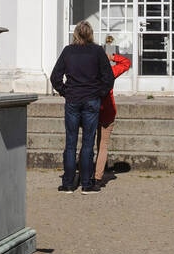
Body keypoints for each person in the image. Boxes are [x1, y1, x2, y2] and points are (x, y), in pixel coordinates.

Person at [50, 21, 115, 194]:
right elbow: (109, 78)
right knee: (88, 142)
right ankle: (86, 184)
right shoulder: (98, 51)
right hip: (91, 100)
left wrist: (65, 91)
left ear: (76, 34)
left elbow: (55, 77)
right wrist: (99, 93)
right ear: (91, 34)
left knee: (70, 142)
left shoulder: (68, 51)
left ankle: (68, 183)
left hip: (73, 99)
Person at [94, 44, 133, 185]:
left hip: (91, 111)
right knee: (103, 145)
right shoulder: (110, 71)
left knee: (87, 144)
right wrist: (111, 57)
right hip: (107, 112)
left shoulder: (89, 73)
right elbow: (126, 63)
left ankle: (86, 174)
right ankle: (98, 177)